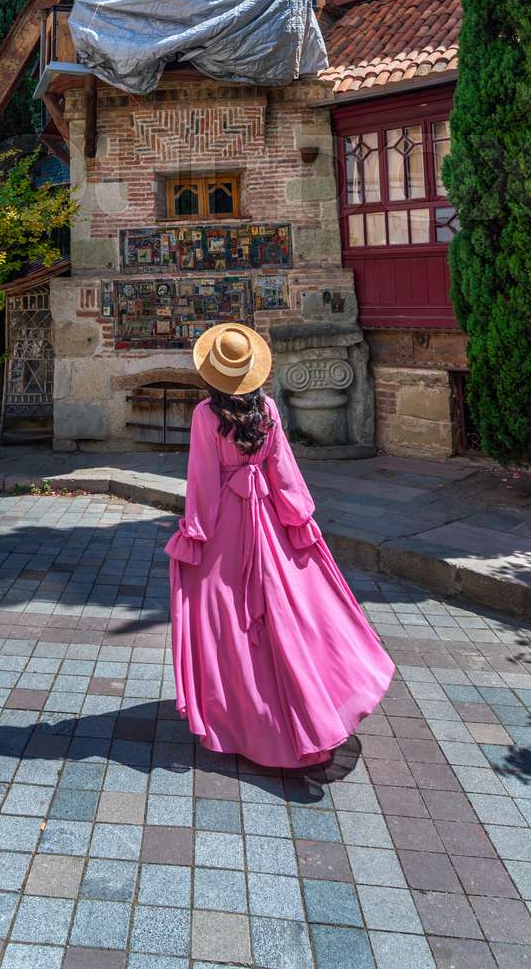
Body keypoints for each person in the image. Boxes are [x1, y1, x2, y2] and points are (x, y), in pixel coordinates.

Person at [166, 322, 394, 770]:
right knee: (285, 610)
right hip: (267, 517)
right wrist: (298, 518)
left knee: (230, 618)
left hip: (227, 522)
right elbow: (283, 471)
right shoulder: (268, 408)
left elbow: (203, 481)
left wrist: (194, 532)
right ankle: (305, 706)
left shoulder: (204, 415)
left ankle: (248, 718)